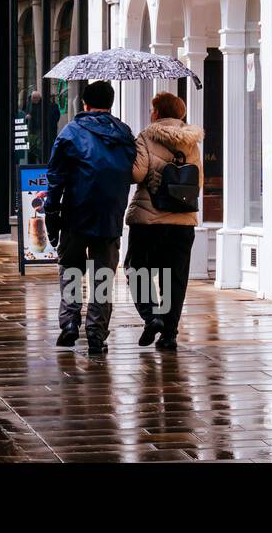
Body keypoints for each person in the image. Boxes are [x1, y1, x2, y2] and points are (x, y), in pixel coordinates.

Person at [44, 80, 137, 355]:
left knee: (71, 267)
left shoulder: (71, 132)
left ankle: (70, 324)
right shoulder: (124, 133)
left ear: (84, 104)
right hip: (110, 215)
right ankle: (96, 334)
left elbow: (55, 178)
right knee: (103, 275)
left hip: (77, 212)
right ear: (111, 102)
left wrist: (52, 212)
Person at [124, 92, 204, 352]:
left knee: (137, 269)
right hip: (183, 220)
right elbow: (198, 181)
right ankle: (169, 335)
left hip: (149, 219)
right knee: (174, 278)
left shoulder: (146, 136)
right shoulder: (193, 142)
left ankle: (151, 316)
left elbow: (136, 175)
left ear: (157, 113)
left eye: (152, 109)